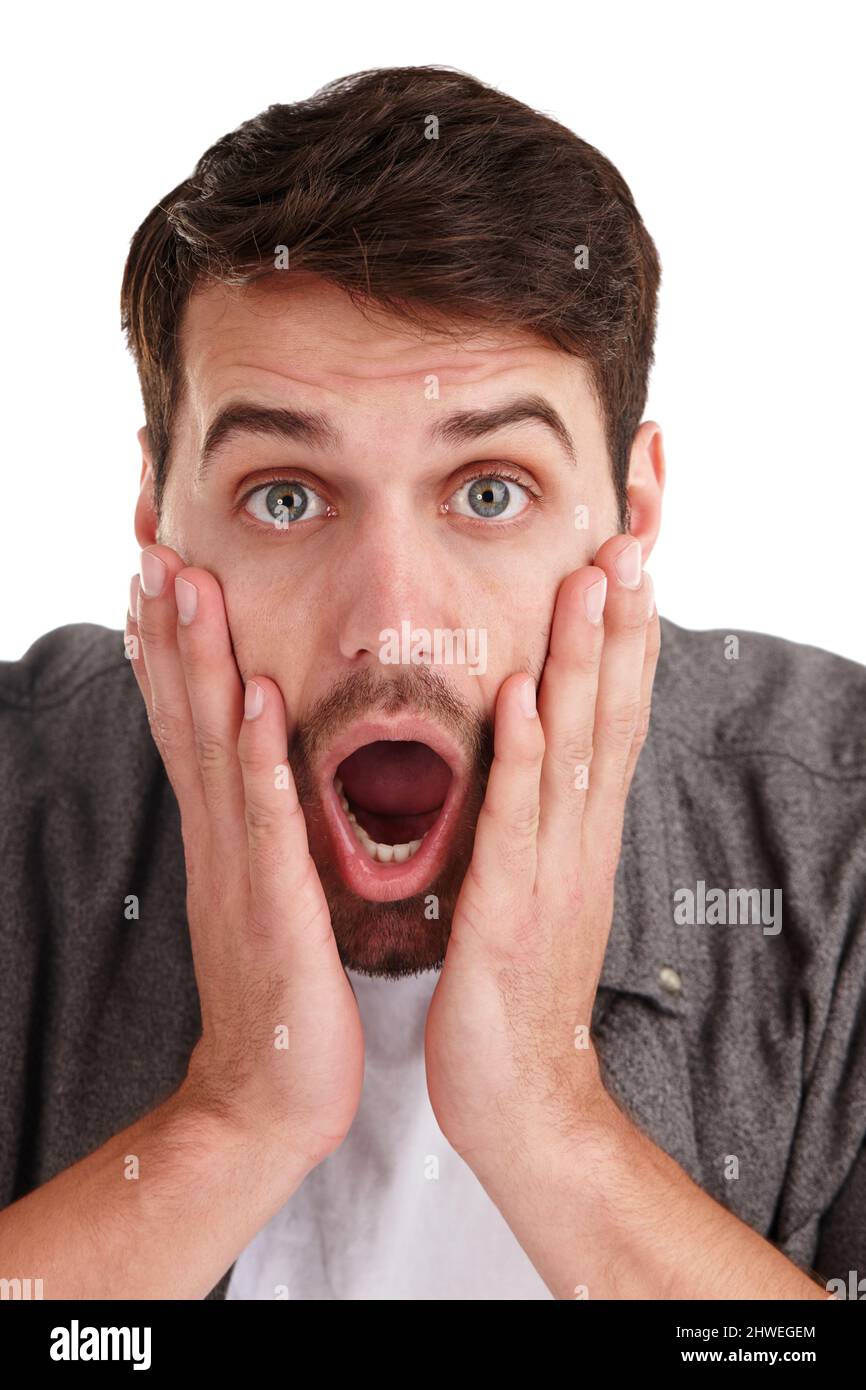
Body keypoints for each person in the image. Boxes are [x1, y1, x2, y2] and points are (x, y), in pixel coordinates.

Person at [1, 65, 863, 1301]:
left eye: (489, 492)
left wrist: (549, 1116)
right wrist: (234, 1114)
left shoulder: (837, 845)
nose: (394, 629)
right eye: (283, 497)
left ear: (630, 513)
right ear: (156, 520)